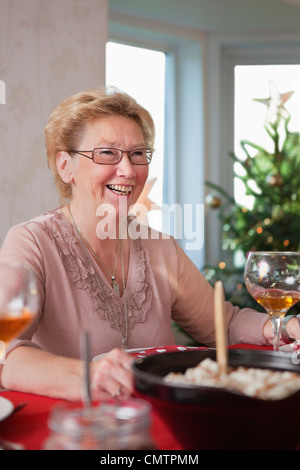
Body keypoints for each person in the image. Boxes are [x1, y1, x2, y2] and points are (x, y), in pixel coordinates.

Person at [0, 87, 299, 401]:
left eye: (138, 154)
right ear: (65, 166)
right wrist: (87, 376)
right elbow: (5, 351)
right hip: (79, 431)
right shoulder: (32, 241)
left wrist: (287, 326)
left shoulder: (160, 247)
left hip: (159, 421)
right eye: (107, 153)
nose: (128, 170)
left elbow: (224, 326)